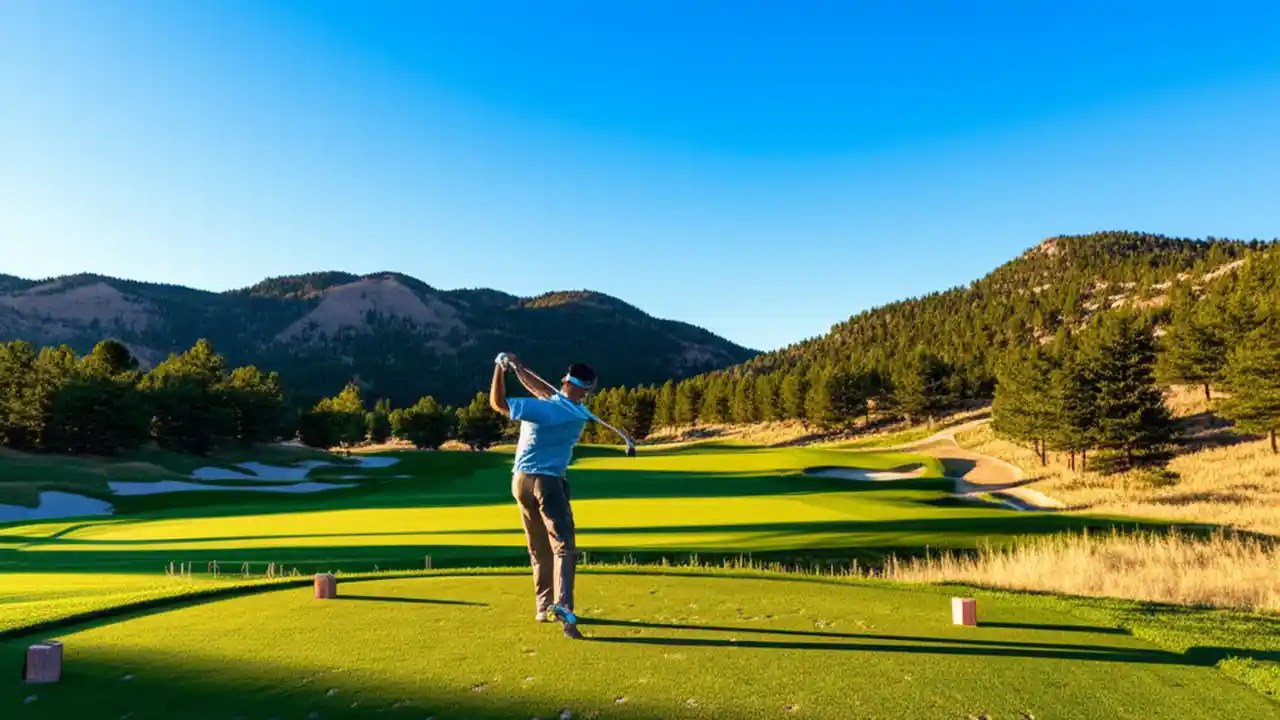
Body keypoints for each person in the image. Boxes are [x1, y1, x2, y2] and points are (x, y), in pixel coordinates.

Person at [489, 353, 596, 639]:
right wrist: (520, 368)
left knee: (538, 545)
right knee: (564, 547)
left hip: (520, 482)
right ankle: (564, 607)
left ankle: (543, 605)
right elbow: (542, 390)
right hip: (549, 483)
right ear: (586, 390)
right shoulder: (578, 415)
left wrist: (500, 371)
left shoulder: (540, 409)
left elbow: (498, 404)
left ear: (565, 380)